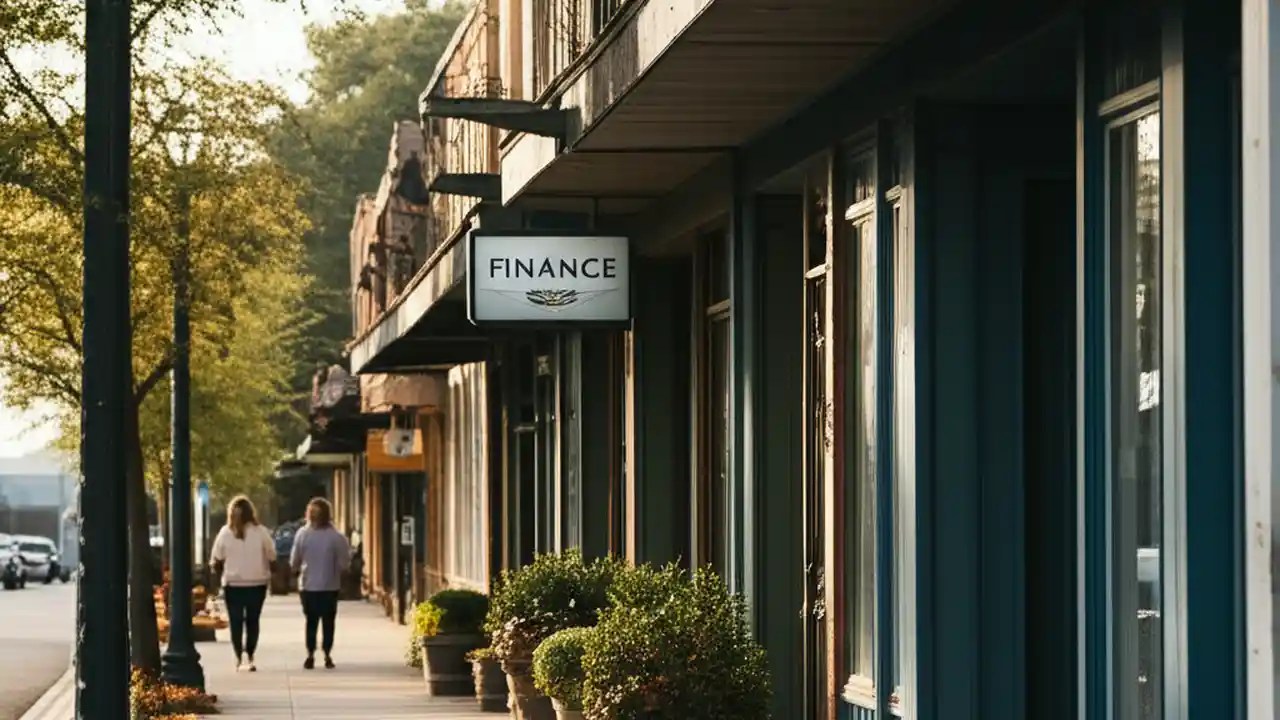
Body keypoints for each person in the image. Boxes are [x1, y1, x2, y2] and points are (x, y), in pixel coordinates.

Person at [210, 495, 275, 672]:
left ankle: (238, 655)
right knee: (253, 621)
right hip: (257, 583)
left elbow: (216, 559)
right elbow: (272, 555)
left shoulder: (225, 533)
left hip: (233, 584)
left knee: (236, 621)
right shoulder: (261, 532)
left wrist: (217, 578)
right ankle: (251, 654)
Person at [290, 497, 350, 669]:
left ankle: (310, 653)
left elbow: (295, 559)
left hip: (308, 585)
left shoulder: (303, 534)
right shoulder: (336, 537)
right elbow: (344, 563)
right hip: (329, 586)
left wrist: (295, 570)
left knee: (311, 620)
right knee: (328, 621)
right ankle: (327, 653)